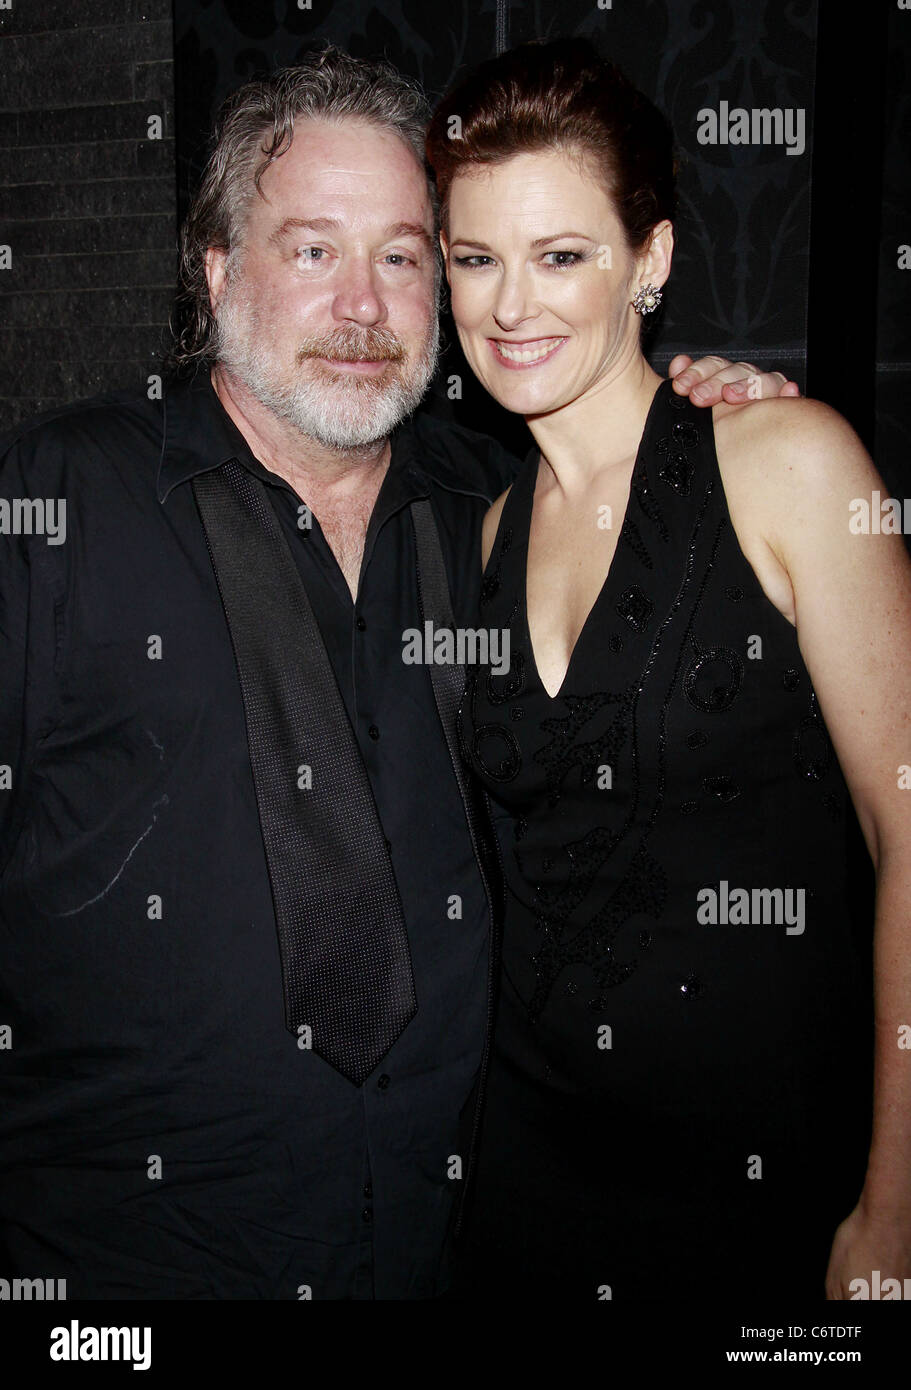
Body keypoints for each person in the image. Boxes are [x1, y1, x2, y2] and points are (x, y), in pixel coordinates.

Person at [0, 45, 792, 1301]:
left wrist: (716, 412)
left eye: (405, 255)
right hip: (121, 1272)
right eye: (313, 250)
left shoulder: (501, 513)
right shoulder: (54, 503)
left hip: (448, 1249)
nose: (363, 307)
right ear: (215, 272)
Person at [425, 37, 911, 1301]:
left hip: (761, 1189)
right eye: (475, 259)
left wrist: (893, 1203)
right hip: (527, 1182)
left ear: (650, 260)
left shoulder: (788, 463)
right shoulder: (485, 530)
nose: (510, 305)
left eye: (560, 255)